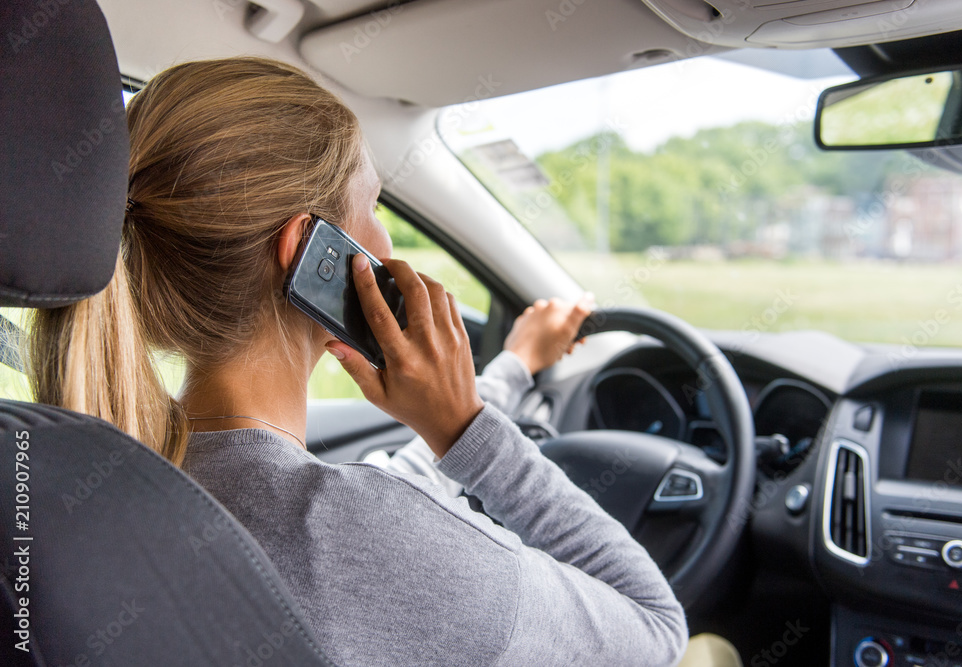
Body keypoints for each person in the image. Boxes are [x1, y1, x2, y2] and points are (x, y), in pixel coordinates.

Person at [28, 56, 740, 666]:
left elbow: (365, 519)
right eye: (372, 206)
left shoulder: (105, 477)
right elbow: (654, 627)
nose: (384, 243)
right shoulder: (352, 533)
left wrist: (511, 369)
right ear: (310, 251)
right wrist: (466, 429)